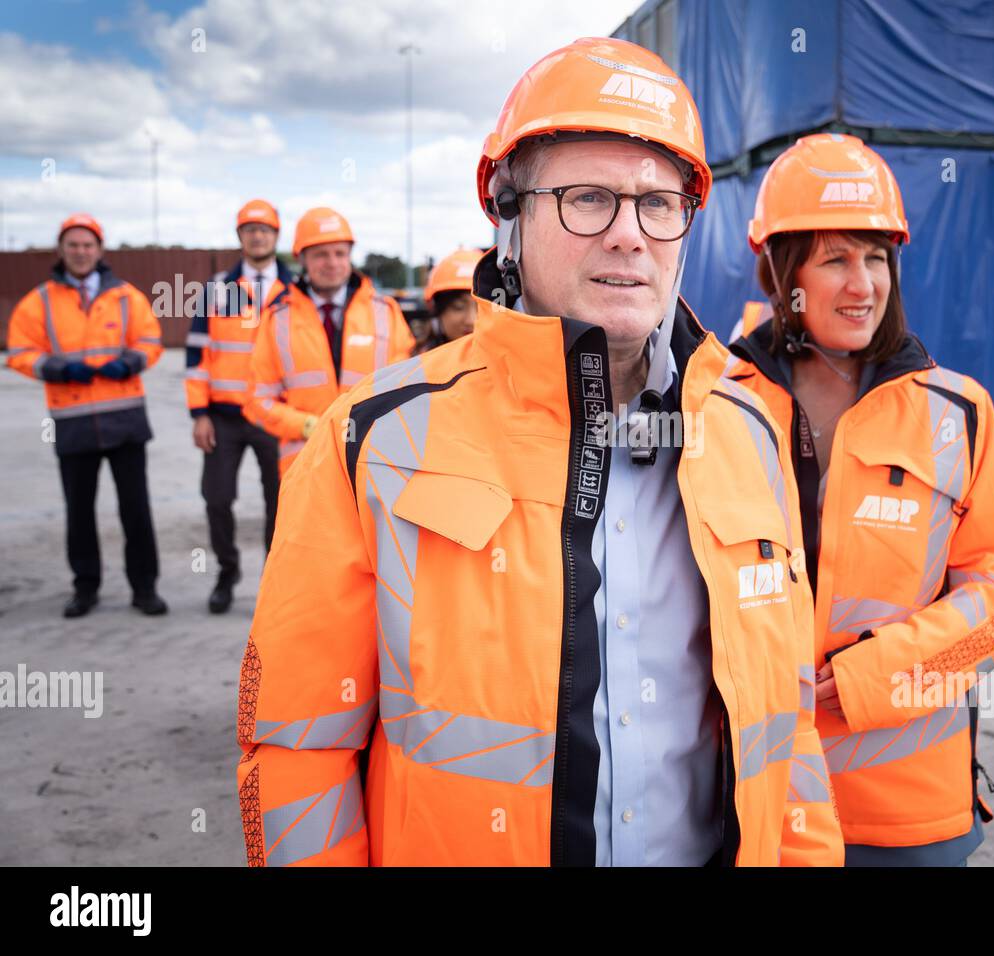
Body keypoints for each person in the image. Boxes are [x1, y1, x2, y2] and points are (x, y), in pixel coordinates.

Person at [234, 37, 842, 867]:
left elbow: (789, 729)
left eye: (659, 203)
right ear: (509, 216)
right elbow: (299, 749)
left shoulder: (752, 434)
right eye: (588, 198)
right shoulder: (372, 442)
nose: (630, 234)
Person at [726, 134, 994, 865]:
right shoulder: (714, 402)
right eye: (835, 258)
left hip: (905, 818)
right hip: (751, 801)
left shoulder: (957, 412)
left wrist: (883, 673)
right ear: (780, 271)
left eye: (876, 258)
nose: (863, 283)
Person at [6, 214, 168, 617]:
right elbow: (19, 352)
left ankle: (145, 588)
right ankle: (85, 588)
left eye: (87, 244)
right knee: (79, 512)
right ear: (62, 249)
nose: (81, 252)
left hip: (125, 420)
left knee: (136, 509)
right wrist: (56, 368)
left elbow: (151, 340)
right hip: (74, 422)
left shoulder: (127, 297)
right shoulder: (40, 301)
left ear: (100, 250)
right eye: (73, 245)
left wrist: (131, 361)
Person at [243, 207, 414, 477]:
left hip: (374, 464)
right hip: (305, 466)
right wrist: (304, 424)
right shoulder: (277, 320)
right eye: (321, 255)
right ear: (302, 259)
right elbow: (257, 400)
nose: (332, 263)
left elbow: (408, 389)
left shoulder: (386, 312)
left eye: (340, 253)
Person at [186, 199, 293, 613]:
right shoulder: (217, 291)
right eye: (250, 229)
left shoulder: (294, 291)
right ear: (240, 237)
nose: (257, 236)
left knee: (281, 502)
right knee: (216, 499)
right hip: (224, 417)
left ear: (276, 236)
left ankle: (274, 580)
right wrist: (199, 415)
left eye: (264, 229)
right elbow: (196, 357)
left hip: (276, 416)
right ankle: (227, 572)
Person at [417, 247, 481, 352]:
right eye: (458, 307)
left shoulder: (509, 363)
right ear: (436, 311)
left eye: (481, 307)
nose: (471, 320)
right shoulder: (416, 365)